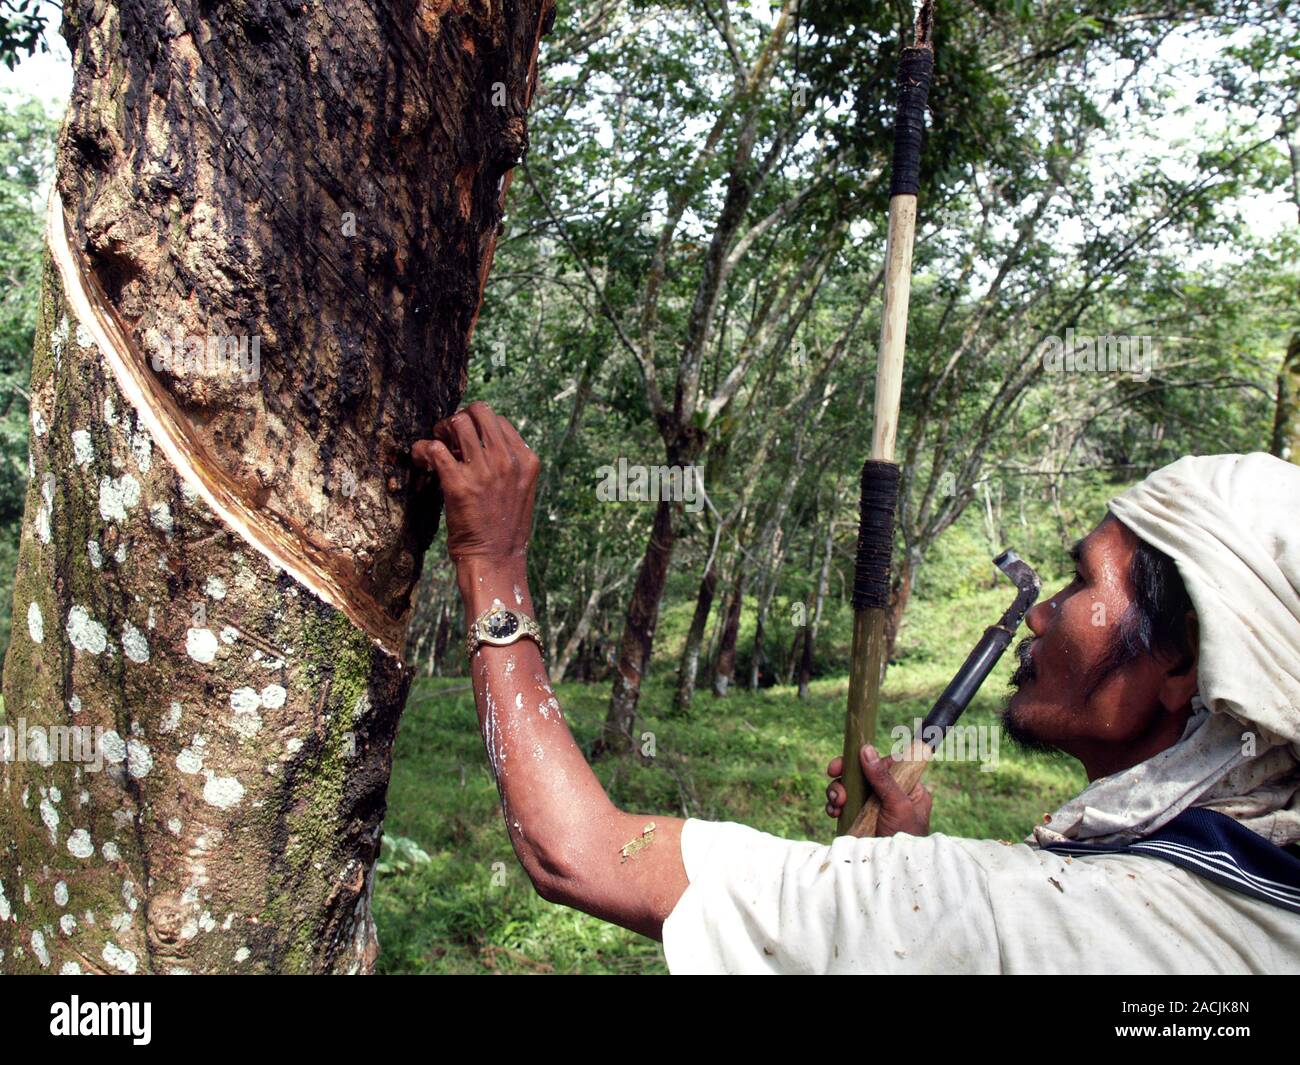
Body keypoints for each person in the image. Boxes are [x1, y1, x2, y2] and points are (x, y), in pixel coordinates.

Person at [411, 401, 1300, 973]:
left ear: (1184, 659)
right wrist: (903, 872)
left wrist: (493, 563)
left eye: (1081, 585)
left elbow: (580, 850)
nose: (1043, 615)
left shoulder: (1005, 921)